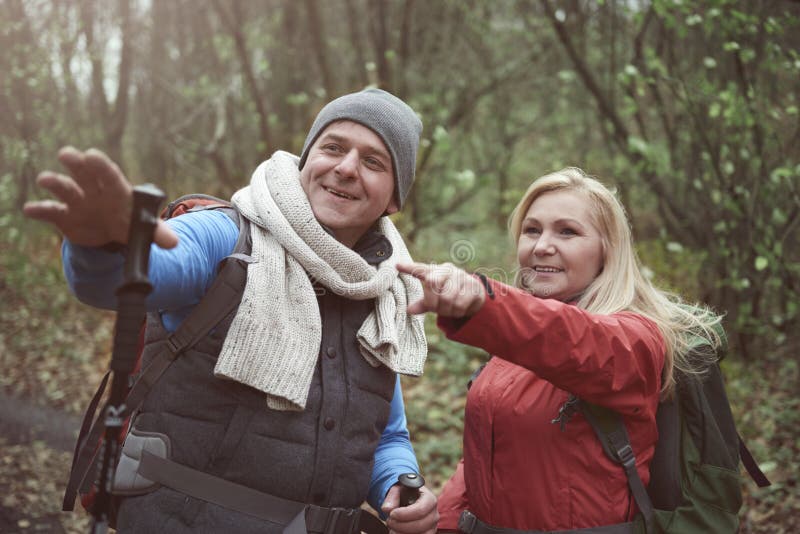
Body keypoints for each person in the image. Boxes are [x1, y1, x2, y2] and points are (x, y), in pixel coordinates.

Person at [24, 88, 439, 534]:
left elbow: (384, 432)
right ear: (305, 160)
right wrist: (103, 244)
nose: (345, 168)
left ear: (395, 198)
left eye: (373, 162)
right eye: (333, 147)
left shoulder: (387, 293)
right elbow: (129, 277)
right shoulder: (227, 236)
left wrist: (398, 485)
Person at [396, 168, 723, 532]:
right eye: (532, 230)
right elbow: (482, 460)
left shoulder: (637, 338)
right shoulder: (511, 342)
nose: (541, 246)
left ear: (607, 251)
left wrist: (482, 300)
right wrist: (443, 523)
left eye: (567, 231)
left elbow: (576, 341)